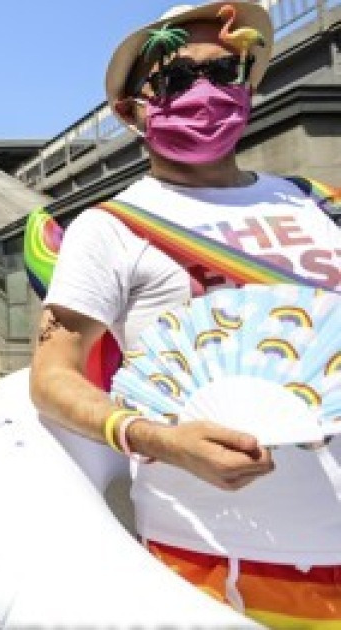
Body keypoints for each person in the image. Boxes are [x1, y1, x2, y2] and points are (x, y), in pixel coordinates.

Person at [30, 3, 341, 626]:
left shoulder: (314, 203)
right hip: (222, 561)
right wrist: (158, 440)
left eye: (223, 72)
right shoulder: (109, 229)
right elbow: (51, 377)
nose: (205, 93)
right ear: (130, 112)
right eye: (174, 79)